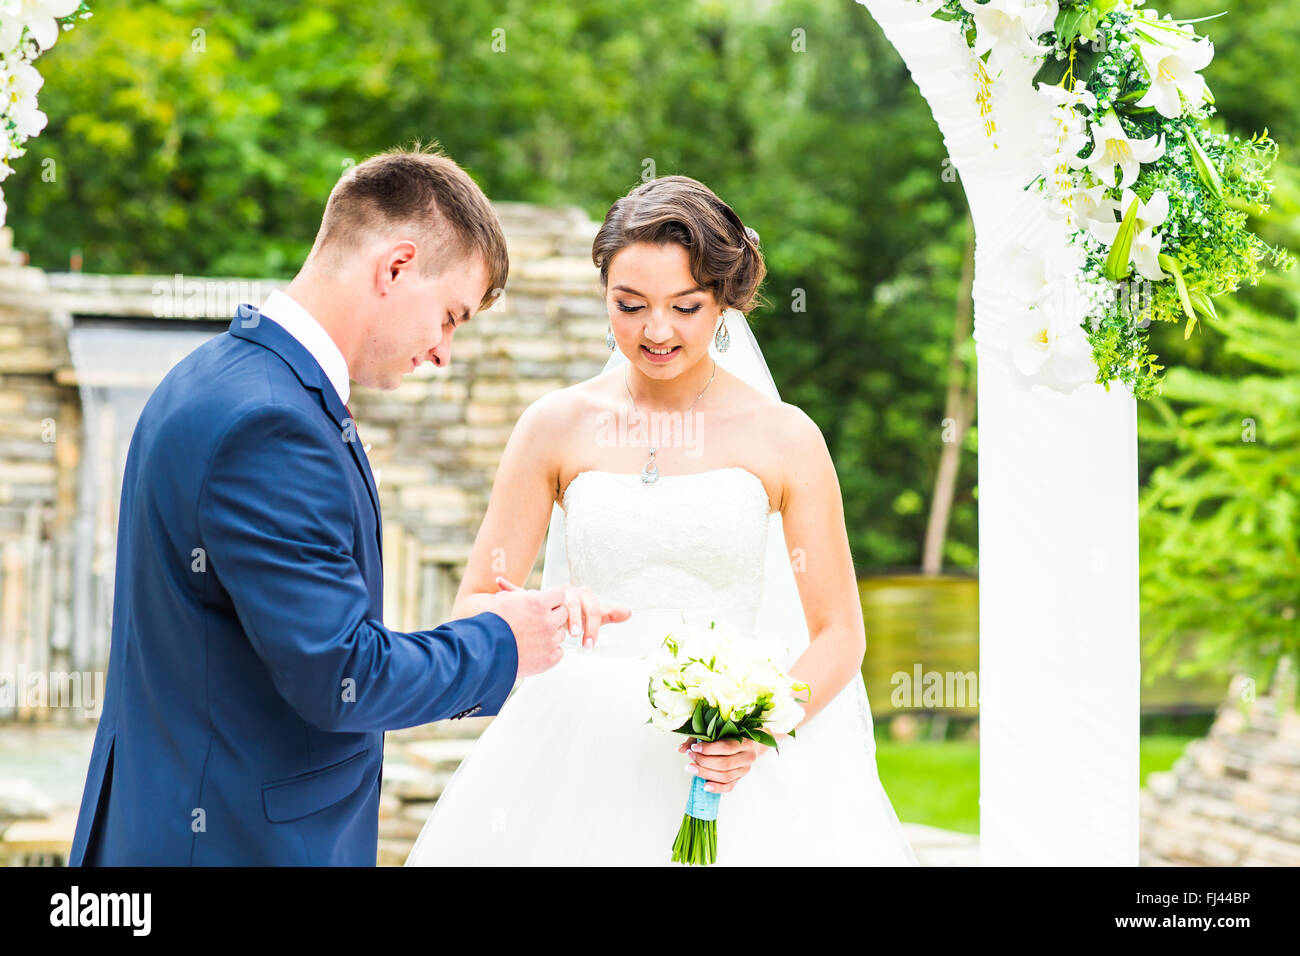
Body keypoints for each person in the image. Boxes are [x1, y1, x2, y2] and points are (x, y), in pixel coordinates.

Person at [67, 143, 627, 866]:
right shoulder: (271, 425)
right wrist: (503, 644)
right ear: (395, 267)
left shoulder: (214, 374)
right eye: (451, 316)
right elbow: (341, 676)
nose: (442, 352)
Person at [406, 175, 920, 865]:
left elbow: (840, 634)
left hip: (730, 766)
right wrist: (546, 609)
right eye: (629, 304)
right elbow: (474, 600)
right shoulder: (553, 426)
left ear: (724, 303)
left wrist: (759, 730)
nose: (655, 330)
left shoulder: (786, 437)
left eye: (684, 306)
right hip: (575, 752)